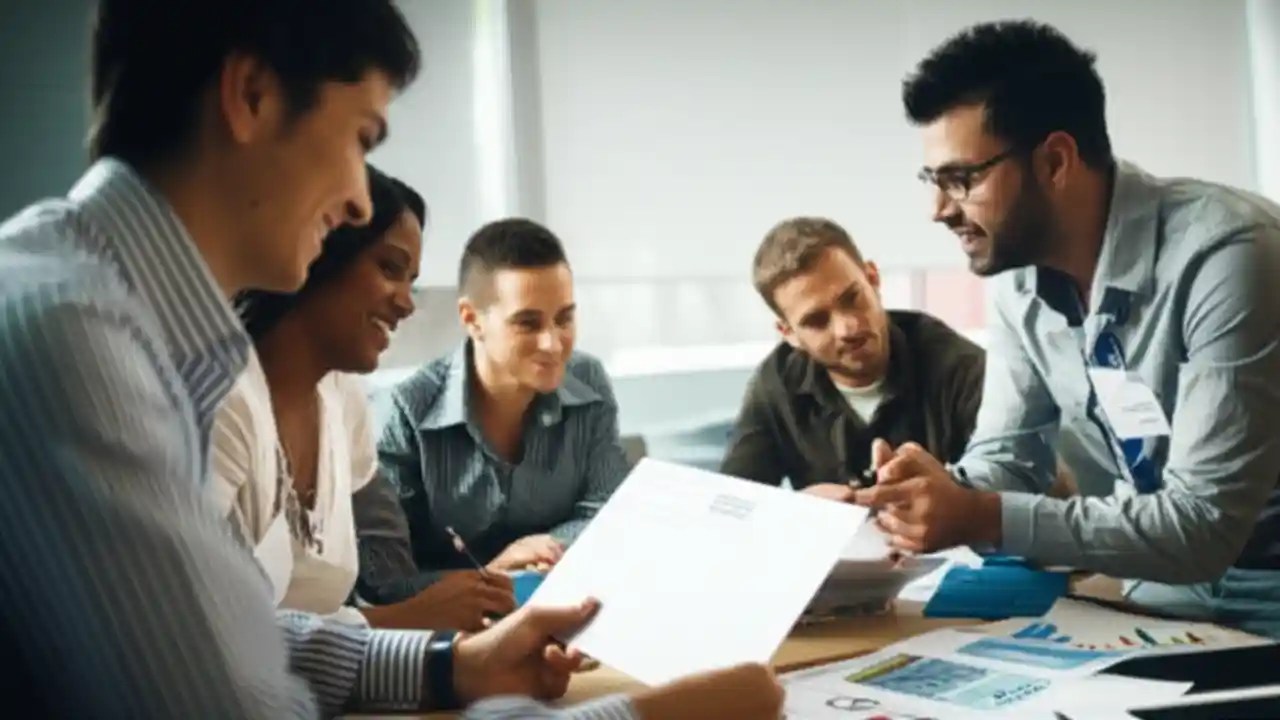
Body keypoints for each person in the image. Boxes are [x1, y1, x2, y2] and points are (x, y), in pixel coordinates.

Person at [0, 2, 786, 718]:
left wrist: (450, 665)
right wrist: (648, 718)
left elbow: (240, 636)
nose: (356, 199)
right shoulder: (75, 342)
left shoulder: (123, 317)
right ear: (250, 96)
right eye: (360, 139)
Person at [856, 19, 1280, 636]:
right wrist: (909, 497)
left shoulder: (1230, 257)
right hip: (1171, 591)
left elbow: (1203, 527)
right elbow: (1008, 460)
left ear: (1055, 161)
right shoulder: (1018, 278)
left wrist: (979, 516)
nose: (939, 210)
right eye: (933, 181)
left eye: (961, 179)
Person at [209, 164, 516, 631]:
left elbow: (388, 570)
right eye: (390, 269)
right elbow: (203, 633)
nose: (408, 303)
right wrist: (401, 622)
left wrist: (468, 594)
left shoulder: (343, 398)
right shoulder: (219, 401)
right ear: (320, 251)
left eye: (412, 281)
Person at [375, 218, 629, 577]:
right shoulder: (405, 413)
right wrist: (495, 574)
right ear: (472, 319)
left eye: (564, 319)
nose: (553, 344)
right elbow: (387, 581)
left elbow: (605, 509)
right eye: (528, 323)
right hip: (450, 626)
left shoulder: (589, 380)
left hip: (564, 596)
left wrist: (542, 550)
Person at [721, 216, 985, 500]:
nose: (848, 328)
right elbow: (731, 505)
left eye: (852, 298)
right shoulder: (775, 384)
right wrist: (802, 510)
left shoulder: (960, 367)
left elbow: (1005, 498)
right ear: (789, 333)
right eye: (817, 320)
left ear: (872, 278)